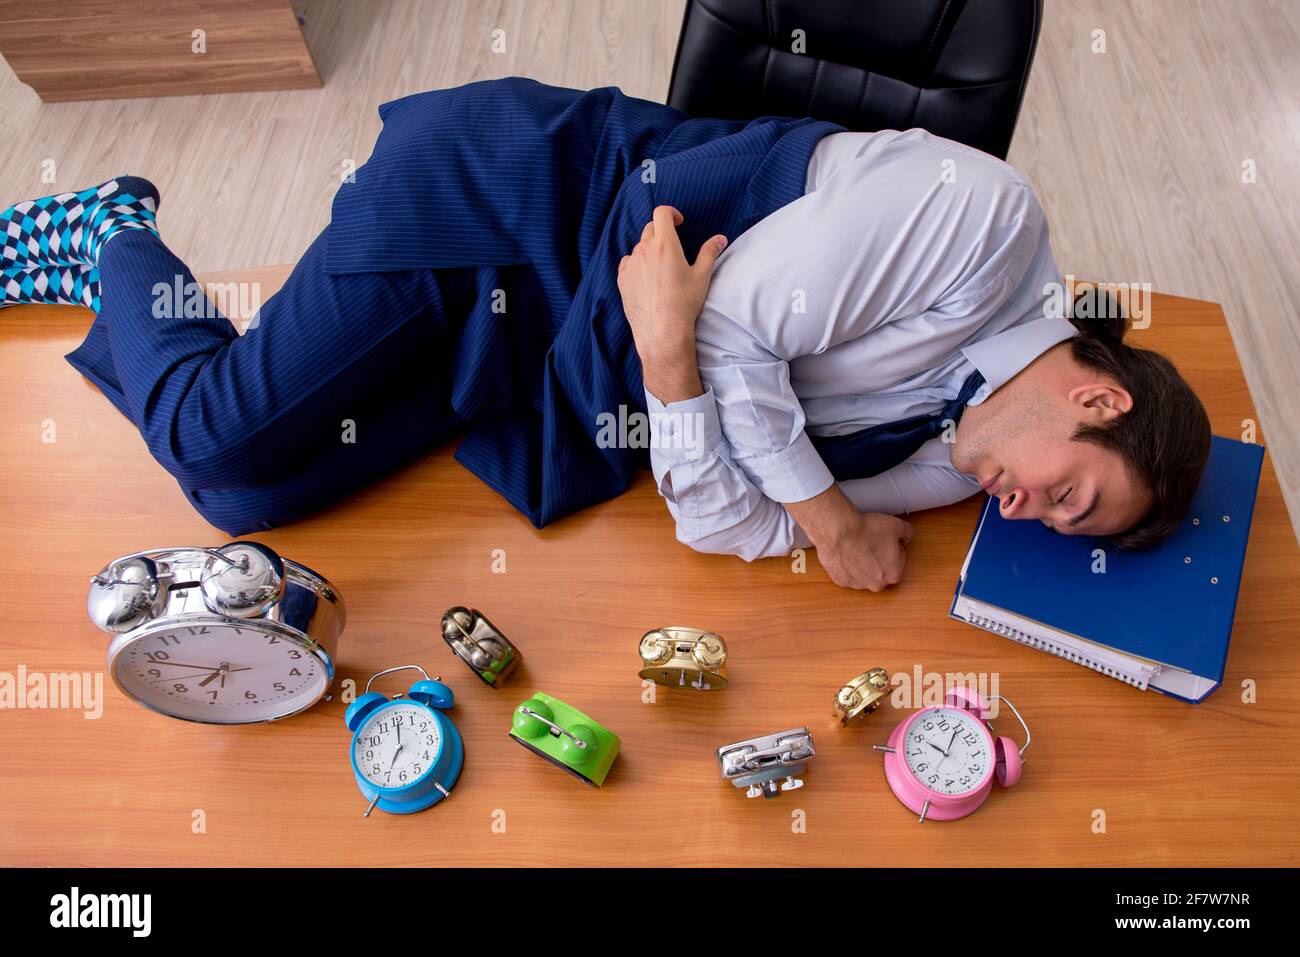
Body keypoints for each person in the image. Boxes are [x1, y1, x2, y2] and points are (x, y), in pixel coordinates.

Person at [0, 77, 1210, 590]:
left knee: (241, 504)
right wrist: (825, 509)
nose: (1022, 513)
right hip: (507, 206)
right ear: (1098, 402)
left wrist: (677, 363)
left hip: (543, 366)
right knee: (216, 435)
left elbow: (713, 516)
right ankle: (114, 232)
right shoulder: (985, 224)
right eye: (1068, 499)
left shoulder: (966, 465)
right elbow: (722, 333)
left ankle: (111, 280)